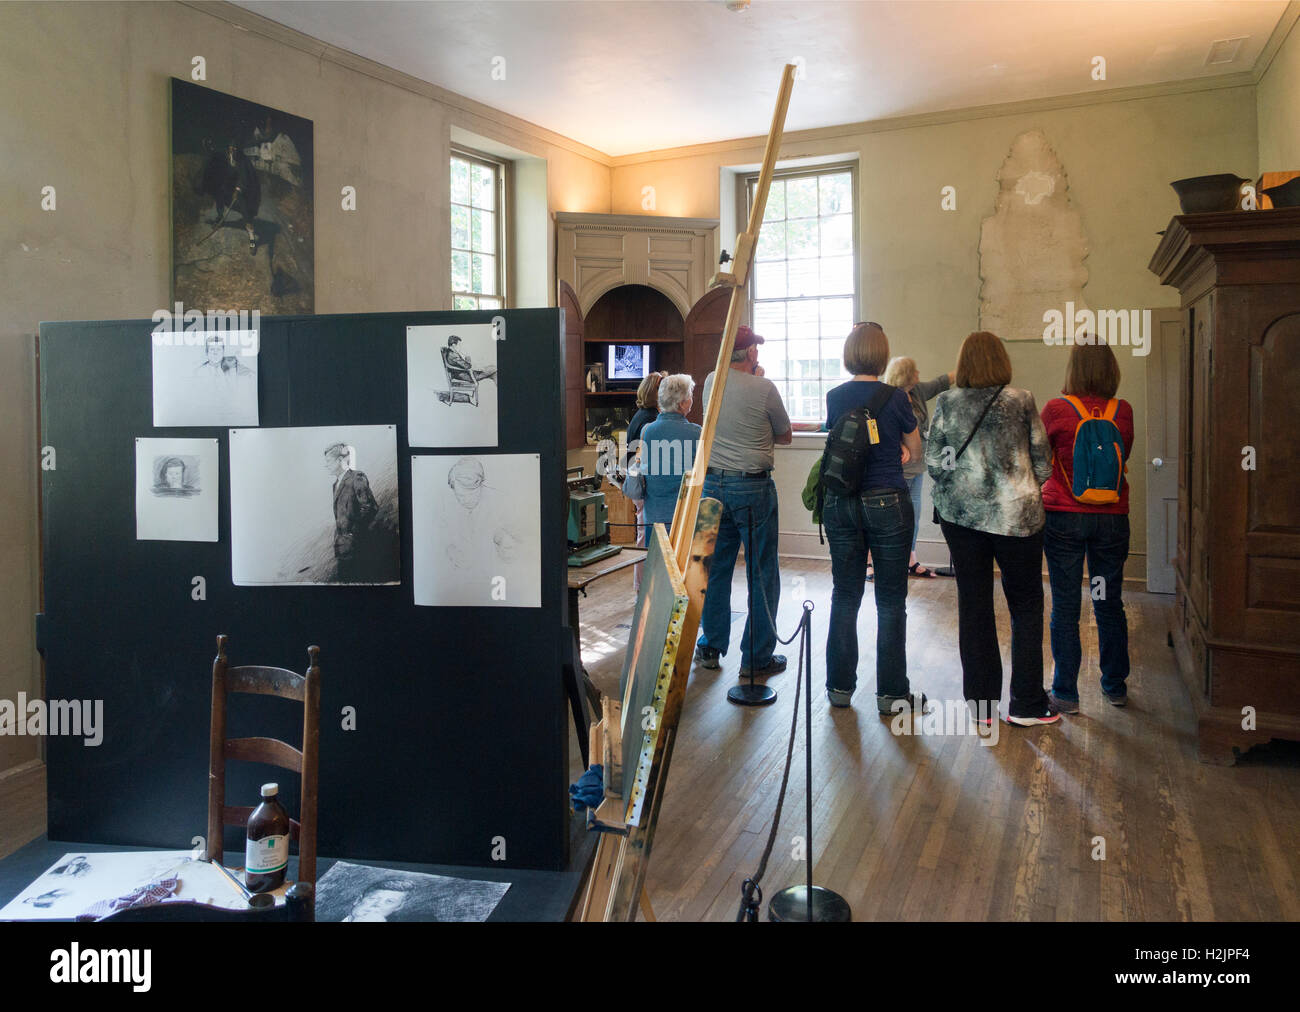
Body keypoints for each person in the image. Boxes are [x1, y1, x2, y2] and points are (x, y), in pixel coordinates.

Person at [925, 331, 1058, 727]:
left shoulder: (947, 402)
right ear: (1001, 360)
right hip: (1017, 519)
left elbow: (936, 464)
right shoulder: (1022, 400)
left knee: (974, 605)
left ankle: (982, 707)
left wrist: (965, 481)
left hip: (962, 519)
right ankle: (1028, 704)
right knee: (1026, 606)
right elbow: (1044, 463)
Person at [822, 323, 925, 712]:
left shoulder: (834, 396)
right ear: (882, 355)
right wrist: (901, 450)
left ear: (850, 354)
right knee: (891, 600)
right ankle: (892, 695)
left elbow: (840, 442)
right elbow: (915, 452)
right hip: (887, 501)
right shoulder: (896, 398)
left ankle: (839, 689)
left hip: (841, 502)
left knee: (845, 594)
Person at [1040, 341, 1135, 710]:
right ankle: (1115, 686)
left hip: (1064, 518)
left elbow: (1041, 457)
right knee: (1107, 601)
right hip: (1111, 519)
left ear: (1074, 369)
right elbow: (1122, 456)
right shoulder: (1122, 411)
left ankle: (1066, 692)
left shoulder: (1056, 409)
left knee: (1065, 605)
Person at [693, 325, 792, 677]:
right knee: (761, 572)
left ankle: (710, 646)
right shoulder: (765, 388)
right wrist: (758, 381)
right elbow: (785, 435)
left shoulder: (710, 381)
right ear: (750, 353)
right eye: (756, 349)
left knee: (714, 569)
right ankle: (756, 657)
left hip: (712, 485)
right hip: (752, 487)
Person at [881, 356, 955, 578]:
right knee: (891, 517)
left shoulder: (918, 392)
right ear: (905, 374)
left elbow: (942, 382)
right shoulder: (886, 397)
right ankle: (875, 562)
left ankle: (910, 560)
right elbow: (881, 429)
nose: (918, 374)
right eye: (915, 371)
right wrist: (900, 445)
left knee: (913, 516)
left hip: (917, 467)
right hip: (897, 468)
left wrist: (965, 367)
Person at [639, 374, 700, 536]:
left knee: (654, 552)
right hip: (684, 518)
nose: (692, 400)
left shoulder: (647, 430)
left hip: (653, 516)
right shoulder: (696, 433)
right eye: (690, 396)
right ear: (682, 403)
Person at [625, 372, 667, 590]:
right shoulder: (650, 419)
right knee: (645, 535)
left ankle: (641, 584)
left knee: (643, 532)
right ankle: (642, 586)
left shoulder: (640, 415)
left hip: (636, 480)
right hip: (644, 483)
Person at [324, 442, 378, 582]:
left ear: (340, 460)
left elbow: (370, 508)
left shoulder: (357, 477)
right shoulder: (335, 485)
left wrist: (353, 534)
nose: (326, 465)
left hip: (358, 548)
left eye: (328, 461)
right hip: (342, 549)